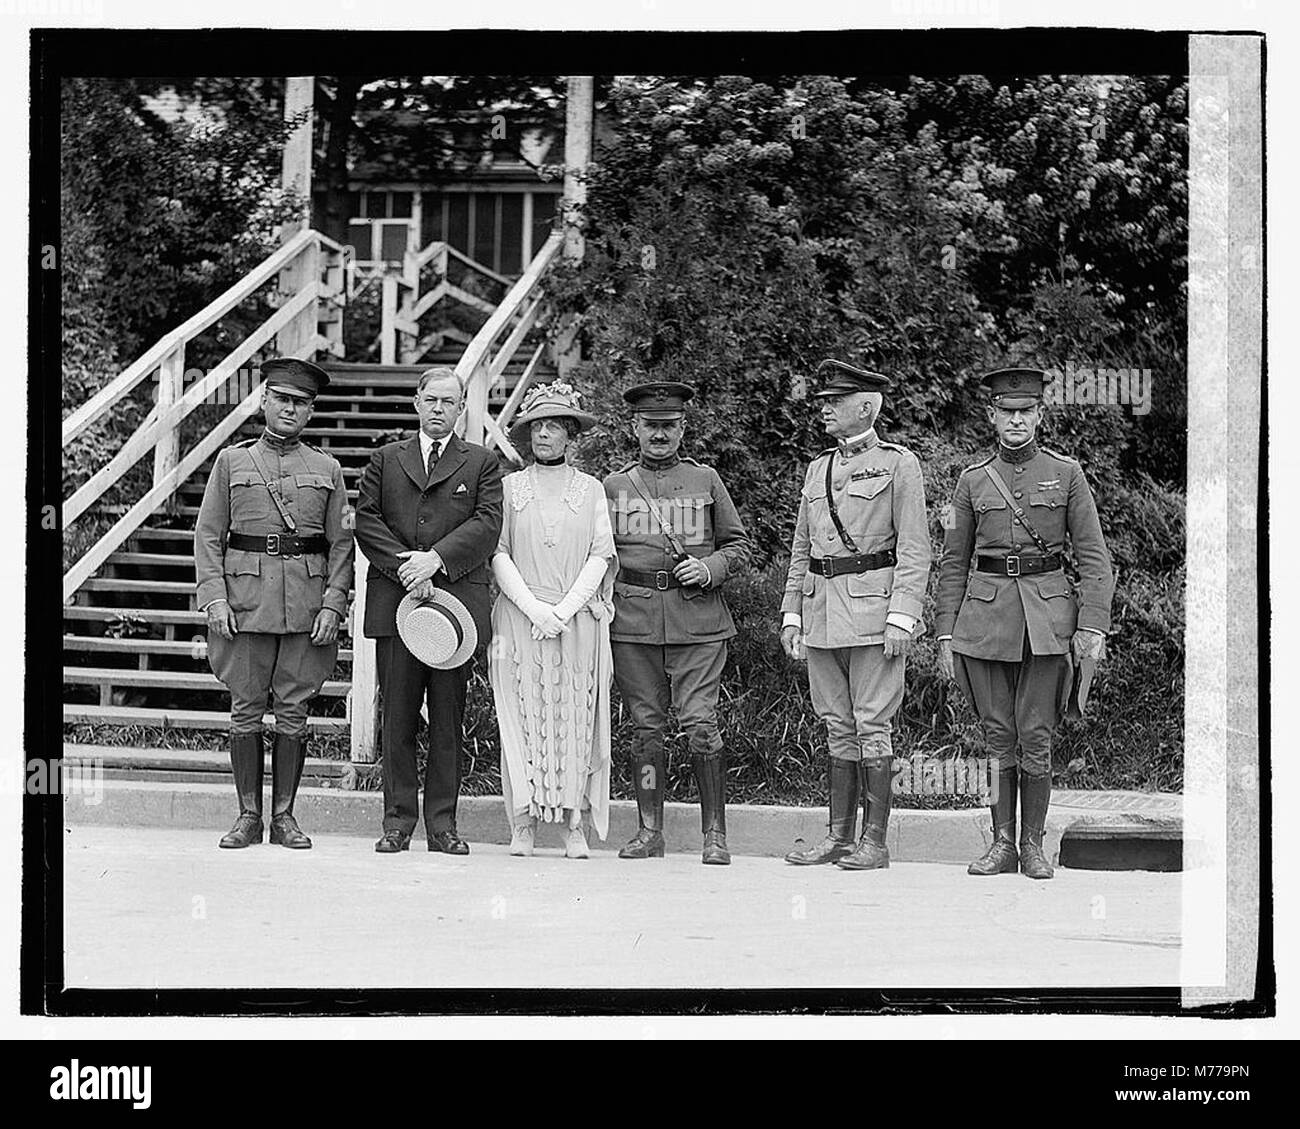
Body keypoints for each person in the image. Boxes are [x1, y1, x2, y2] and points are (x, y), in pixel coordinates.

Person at [934, 367, 1114, 879]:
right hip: (985, 621)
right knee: (996, 735)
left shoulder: (1068, 474)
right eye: (1006, 412)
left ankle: (1034, 846)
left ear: (1039, 415)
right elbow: (953, 560)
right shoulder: (970, 482)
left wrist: (1092, 626)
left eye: (1025, 412)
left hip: (1048, 621)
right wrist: (946, 631)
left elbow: (1095, 559)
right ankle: (1003, 844)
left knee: (1036, 734)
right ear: (992, 416)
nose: (1016, 420)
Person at [194, 357, 354, 850]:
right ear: (264, 400)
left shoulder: (327, 469)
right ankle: (247, 816)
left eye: (300, 403)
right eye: (281, 399)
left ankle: (284, 817)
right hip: (243, 605)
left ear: (310, 412)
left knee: (293, 710)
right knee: (244, 708)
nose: (290, 409)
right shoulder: (232, 462)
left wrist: (333, 604)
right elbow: (208, 534)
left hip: (306, 609)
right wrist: (214, 597)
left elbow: (343, 542)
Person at [781, 360, 930, 871]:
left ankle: (876, 842)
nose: (824, 407)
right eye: (824, 399)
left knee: (872, 726)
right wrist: (792, 613)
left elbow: (914, 548)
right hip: (821, 614)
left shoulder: (899, 465)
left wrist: (903, 616)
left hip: (873, 616)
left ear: (866, 406)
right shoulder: (817, 467)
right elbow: (801, 547)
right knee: (835, 726)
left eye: (835, 401)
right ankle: (838, 837)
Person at [354, 366, 503, 854]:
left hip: (454, 609)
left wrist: (436, 560)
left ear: (461, 409)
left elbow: (487, 524)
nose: (439, 409)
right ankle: (397, 822)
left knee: (446, 716)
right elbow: (367, 520)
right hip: (396, 601)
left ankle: (443, 825)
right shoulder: (384, 459)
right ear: (416, 403)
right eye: (431, 400)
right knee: (396, 716)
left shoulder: (481, 462)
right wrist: (407, 568)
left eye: (449, 402)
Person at [603, 382, 751, 865]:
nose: (660, 435)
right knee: (645, 730)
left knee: (701, 725)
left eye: (669, 426)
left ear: (683, 428)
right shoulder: (614, 487)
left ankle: (715, 834)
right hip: (633, 623)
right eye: (651, 426)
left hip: (699, 624)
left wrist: (710, 569)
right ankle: (650, 831)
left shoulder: (705, 479)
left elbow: (738, 546)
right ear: (635, 428)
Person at [489, 382, 617, 859]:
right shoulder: (507, 488)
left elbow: (601, 555)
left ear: (569, 435)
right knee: (520, 717)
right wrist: (535, 609)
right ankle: (522, 823)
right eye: (536, 425)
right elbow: (498, 552)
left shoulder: (591, 490)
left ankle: (572, 823)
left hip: (577, 620)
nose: (544, 434)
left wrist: (562, 611)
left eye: (554, 426)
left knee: (576, 718)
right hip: (521, 618)